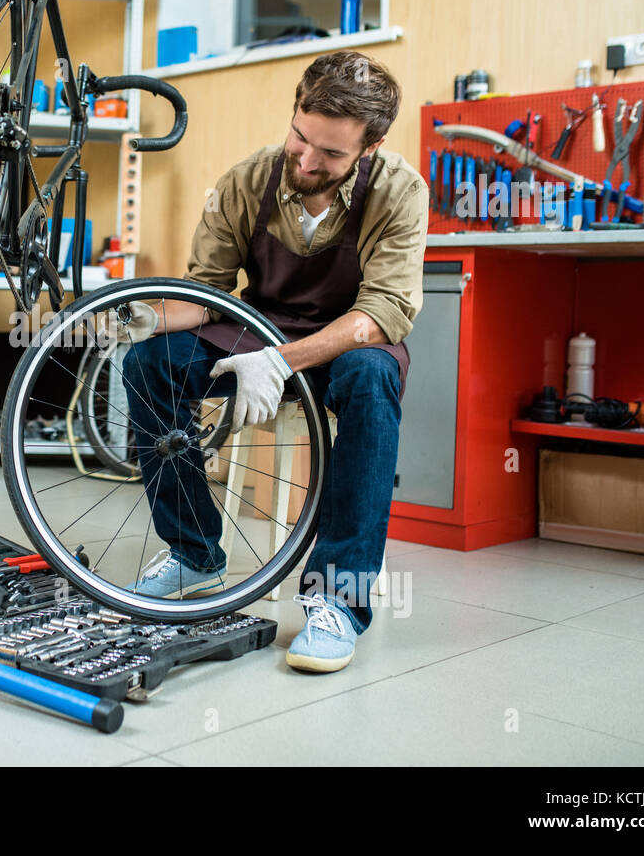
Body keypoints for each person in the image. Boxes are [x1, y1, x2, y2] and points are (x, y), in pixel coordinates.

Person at [112, 50, 427, 673]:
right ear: (294, 115)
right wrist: (137, 317)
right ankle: (196, 552)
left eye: (332, 155)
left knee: (371, 379)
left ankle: (339, 599)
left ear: (371, 146)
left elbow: (382, 314)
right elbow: (203, 295)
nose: (308, 161)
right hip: (255, 331)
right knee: (151, 362)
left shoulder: (399, 191)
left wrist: (281, 362)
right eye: (300, 138)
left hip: (348, 341)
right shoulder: (247, 181)